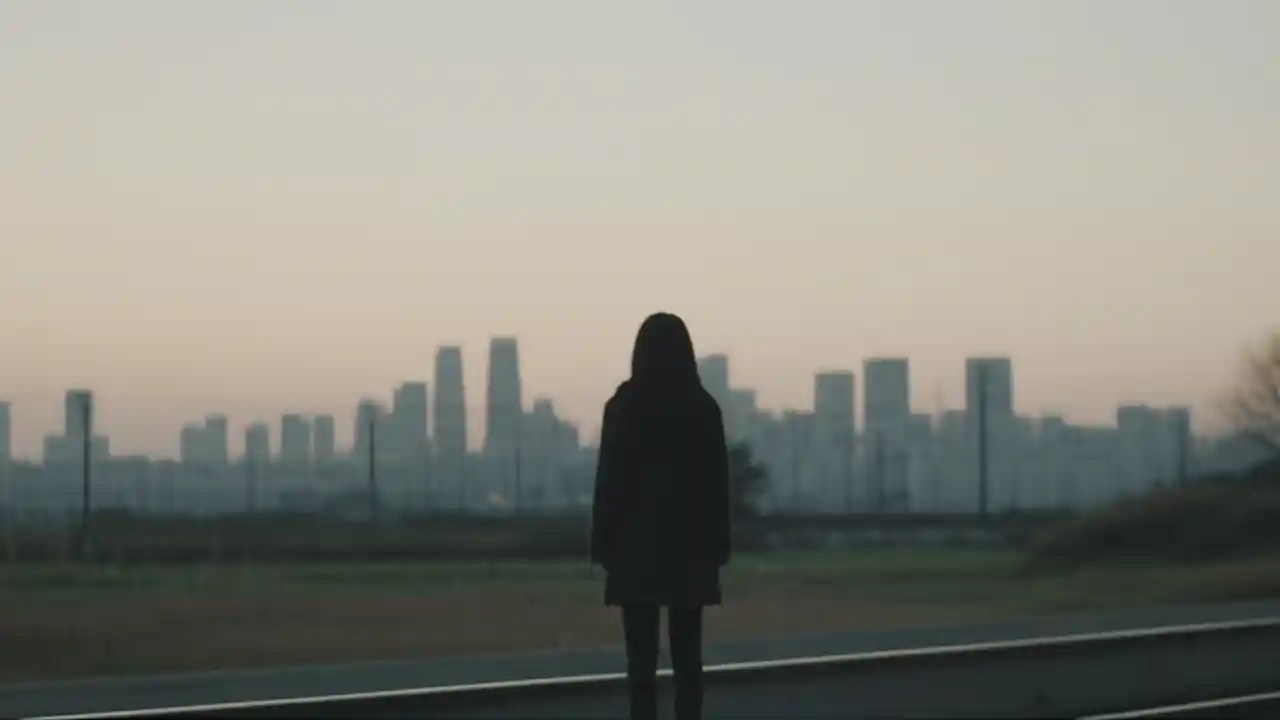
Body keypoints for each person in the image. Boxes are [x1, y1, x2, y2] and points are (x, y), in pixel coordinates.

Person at [590, 312, 731, 720]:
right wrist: (718, 548)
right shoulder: (703, 409)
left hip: (635, 553)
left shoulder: (622, 407)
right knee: (688, 663)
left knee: (640, 668)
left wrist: (603, 546)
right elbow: (717, 488)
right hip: (690, 553)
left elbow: (608, 484)